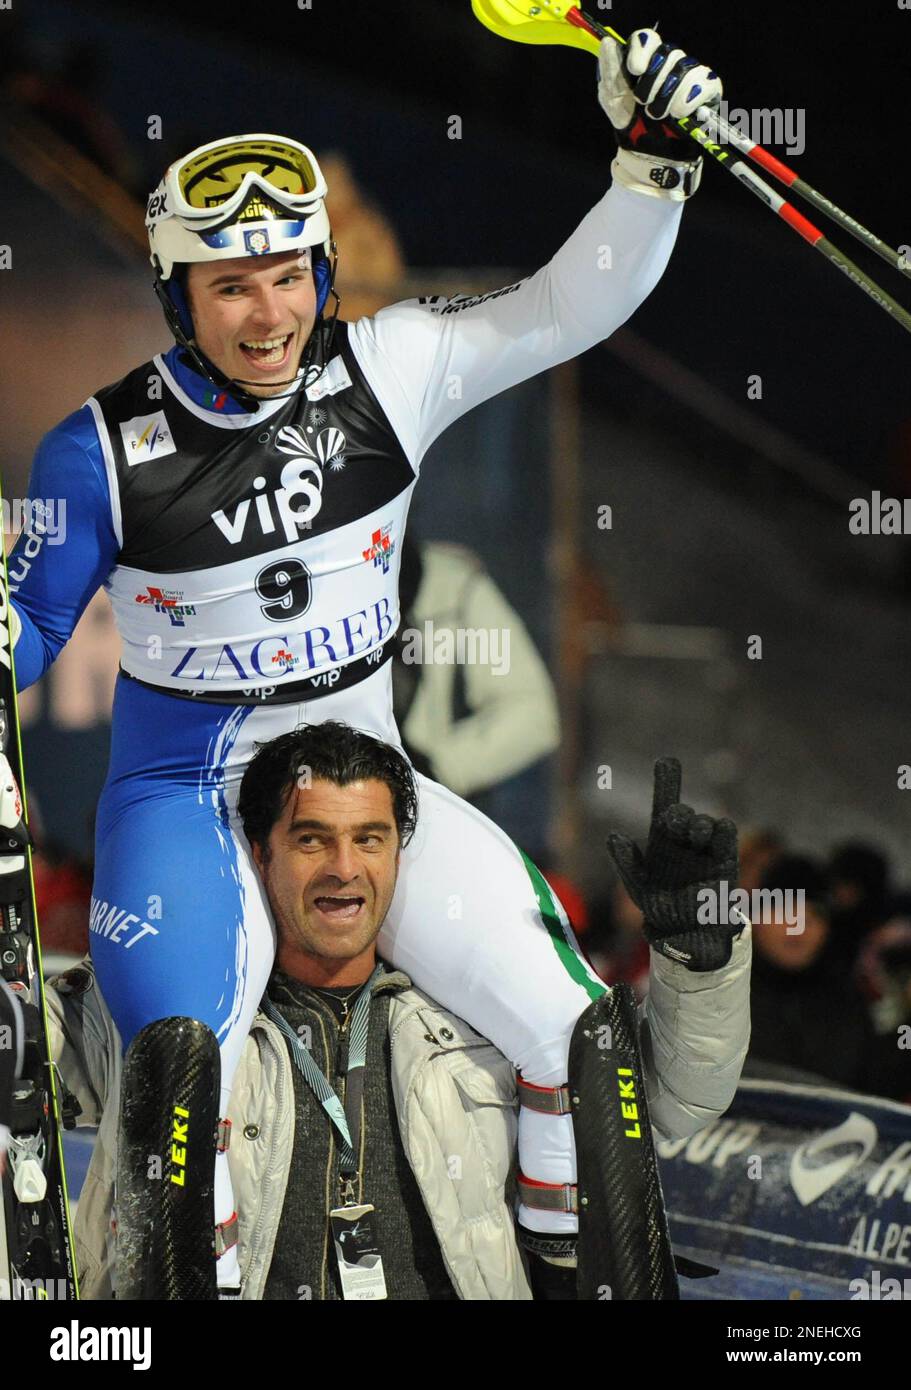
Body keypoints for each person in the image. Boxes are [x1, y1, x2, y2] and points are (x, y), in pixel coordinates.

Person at [9, 30, 731, 1288]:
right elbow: (22, 629)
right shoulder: (98, 449)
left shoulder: (388, 366)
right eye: (231, 284)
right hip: (187, 807)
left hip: (362, 792)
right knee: (185, 1064)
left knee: (575, 1032)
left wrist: (651, 165)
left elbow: (565, 306)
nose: (269, 313)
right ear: (177, 294)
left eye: (289, 276)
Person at [47, 724, 752, 1299]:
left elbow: (673, 1102)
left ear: (398, 854)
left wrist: (699, 962)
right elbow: (22, 1057)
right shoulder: (162, 1011)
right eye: (311, 838)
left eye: (369, 839)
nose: (344, 868)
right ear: (259, 856)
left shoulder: (485, 1020)